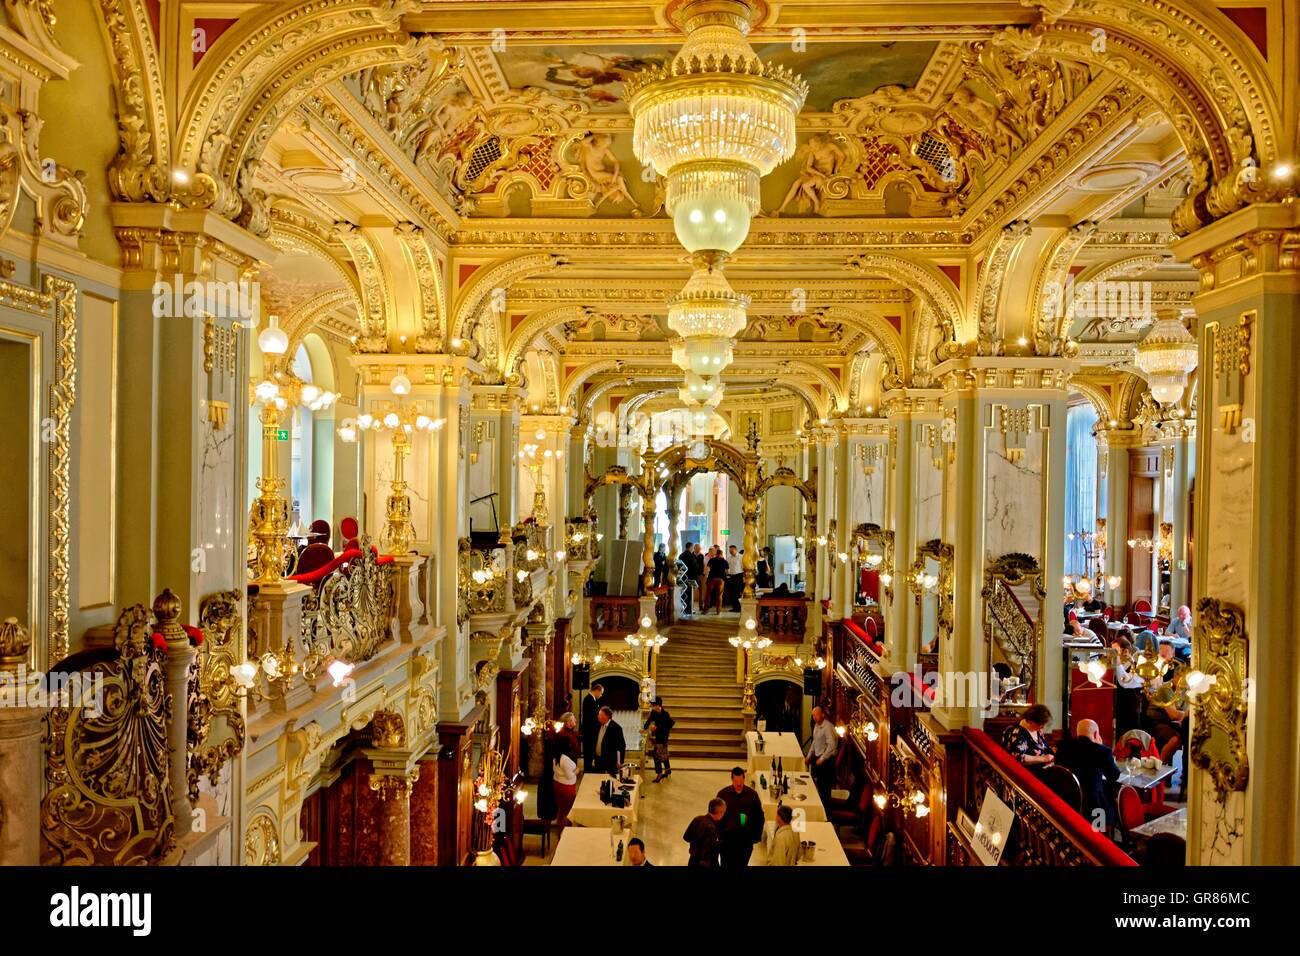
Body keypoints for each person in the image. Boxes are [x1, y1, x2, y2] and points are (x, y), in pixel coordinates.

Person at [1054, 718, 1121, 833]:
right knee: (1110, 802)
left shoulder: (1063, 748)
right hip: (1094, 808)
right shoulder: (1102, 751)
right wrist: (1100, 747)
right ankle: (1101, 837)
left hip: (1068, 803)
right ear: (1095, 734)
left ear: (1078, 733)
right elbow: (1114, 776)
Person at [715, 768, 765, 867]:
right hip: (727, 841)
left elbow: (759, 816)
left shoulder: (752, 795)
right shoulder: (723, 794)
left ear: (744, 779)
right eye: (736, 781)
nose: (738, 784)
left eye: (740, 781)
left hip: (745, 841)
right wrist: (719, 836)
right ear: (731, 779)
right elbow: (716, 815)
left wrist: (755, 837)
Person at [1001, 702, 1055, 769]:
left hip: (1045, 767)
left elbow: (1044, 747)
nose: (1042, 727)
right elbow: (1018, 757)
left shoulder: (1037, 730)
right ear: (1030, 721)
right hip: (1028, 771)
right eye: (1040, 724)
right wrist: (1043, 758)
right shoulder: (1018, 733)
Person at [805, 705, 839, 808]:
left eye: (816, 715)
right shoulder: (816, 726)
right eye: (813, 715)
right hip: (819, 758)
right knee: (819, 785)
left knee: (825, 789)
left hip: (827, 761)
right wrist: (809, 755)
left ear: (823, 715)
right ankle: (820, 806)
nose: (814, 717)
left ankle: (826, 811)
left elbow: (832, 745)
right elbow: (815, 741)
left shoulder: (828, 727)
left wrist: (822, 758)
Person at [551, 726, 579, 831]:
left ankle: (560, 829)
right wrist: (577, 770)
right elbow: (569, 775)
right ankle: (564, 831)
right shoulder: (565, 759)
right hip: (566, 788)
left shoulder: (556, 757)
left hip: (558, 784)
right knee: (567, 811)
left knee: (561, 809)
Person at [683, 798, 726, 867]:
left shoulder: (697, 819)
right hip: (706, 863)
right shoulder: (713, 828)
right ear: (720, 812)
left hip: (692, 860)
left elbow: (686, 837)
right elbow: (708, 852)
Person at [643, 697, 675, 782]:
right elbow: (649, 720)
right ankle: (667, 770)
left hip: (663, 736)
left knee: (656, 754)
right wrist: (644, 728)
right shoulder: (654, 712)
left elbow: (667, 726)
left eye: (652, 705)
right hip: (658, 736)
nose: (651, 706)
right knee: (663, 753)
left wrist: (656, 727)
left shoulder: (665, 714)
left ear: (657, 705)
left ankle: (659, 773)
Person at [593, 705, 626, 775]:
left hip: (610, 762)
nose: (598, 716)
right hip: (598, 760)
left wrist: (619, 762)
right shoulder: (597, 725)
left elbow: (621, 746)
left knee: (610, 780)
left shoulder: (616, 728)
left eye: (600, 715)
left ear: (606, 716)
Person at [581, 683, 606, 771]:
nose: (601, 695)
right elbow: (591, 717)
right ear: (597, 690)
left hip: (591, 731)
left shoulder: (591, 700)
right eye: (601, 693)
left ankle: (590, 770)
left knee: (591, 753)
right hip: (589, 732)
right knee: (588, 754)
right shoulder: (589, 699)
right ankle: (587, 771)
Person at [705, 546, 729, 613]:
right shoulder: (724, 561)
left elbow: (707, 569)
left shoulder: (711, 560)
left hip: (711, 579)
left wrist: (706, 576)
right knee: (719, 596)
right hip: (720, 579)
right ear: (721, 554)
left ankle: (705, 610)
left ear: (716, 554)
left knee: (708, 595)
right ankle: (718, 611)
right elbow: (727, 572)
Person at [725, 544, 743, 611]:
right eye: (730, 551)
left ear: (736, 550)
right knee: (732, 592)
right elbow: (727, 567)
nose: (731, 552)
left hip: (739, 576)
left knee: (738, 592)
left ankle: (739, 607)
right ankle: (734, 607)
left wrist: (744, 577)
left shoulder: (741, 557)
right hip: (732, 576)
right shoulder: (729, 558)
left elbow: (743, 567)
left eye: (732, 551)